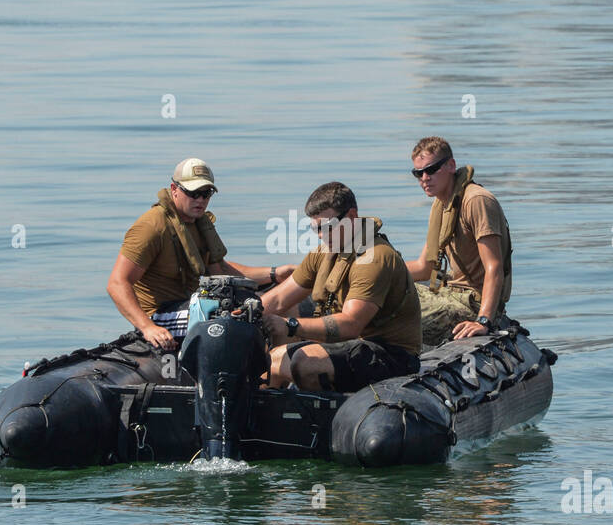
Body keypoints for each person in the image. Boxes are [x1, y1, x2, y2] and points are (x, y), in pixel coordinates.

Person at [107, 158, 293, 351]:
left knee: (270, 303)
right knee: (233, 316)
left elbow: (220, 271)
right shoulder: (151, 227)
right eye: (193, 193)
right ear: (174, 189)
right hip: (160, 315)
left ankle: (276, 372)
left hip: (192, 304)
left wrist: (275, 274)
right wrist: (148, 327)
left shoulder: (198, 223)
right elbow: (117, 283)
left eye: (206, 193)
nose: (200, 200)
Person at [260, 182, 421, 391]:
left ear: (352, 217)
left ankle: (322, 419)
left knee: (305, 362)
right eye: (315, 228)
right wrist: (245, 313)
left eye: (327, 227)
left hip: (391, 355)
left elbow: (351, 324)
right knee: (272, 360)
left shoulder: (374, 257)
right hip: (350, 347)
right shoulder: (323, 252)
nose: (320, 235)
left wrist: (290, 325)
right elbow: (278, 299)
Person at [403, 137, 514, 348]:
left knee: (393, 315)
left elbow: (494, 267)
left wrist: (483, 320)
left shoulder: (476, 201)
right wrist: (377, 273)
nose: (425, 178)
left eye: (432, 169)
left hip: (471, 303)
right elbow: (424, 267)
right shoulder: (441, 204)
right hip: (448, 292)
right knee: (383, 293)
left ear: (451, 166)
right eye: (418, 173)